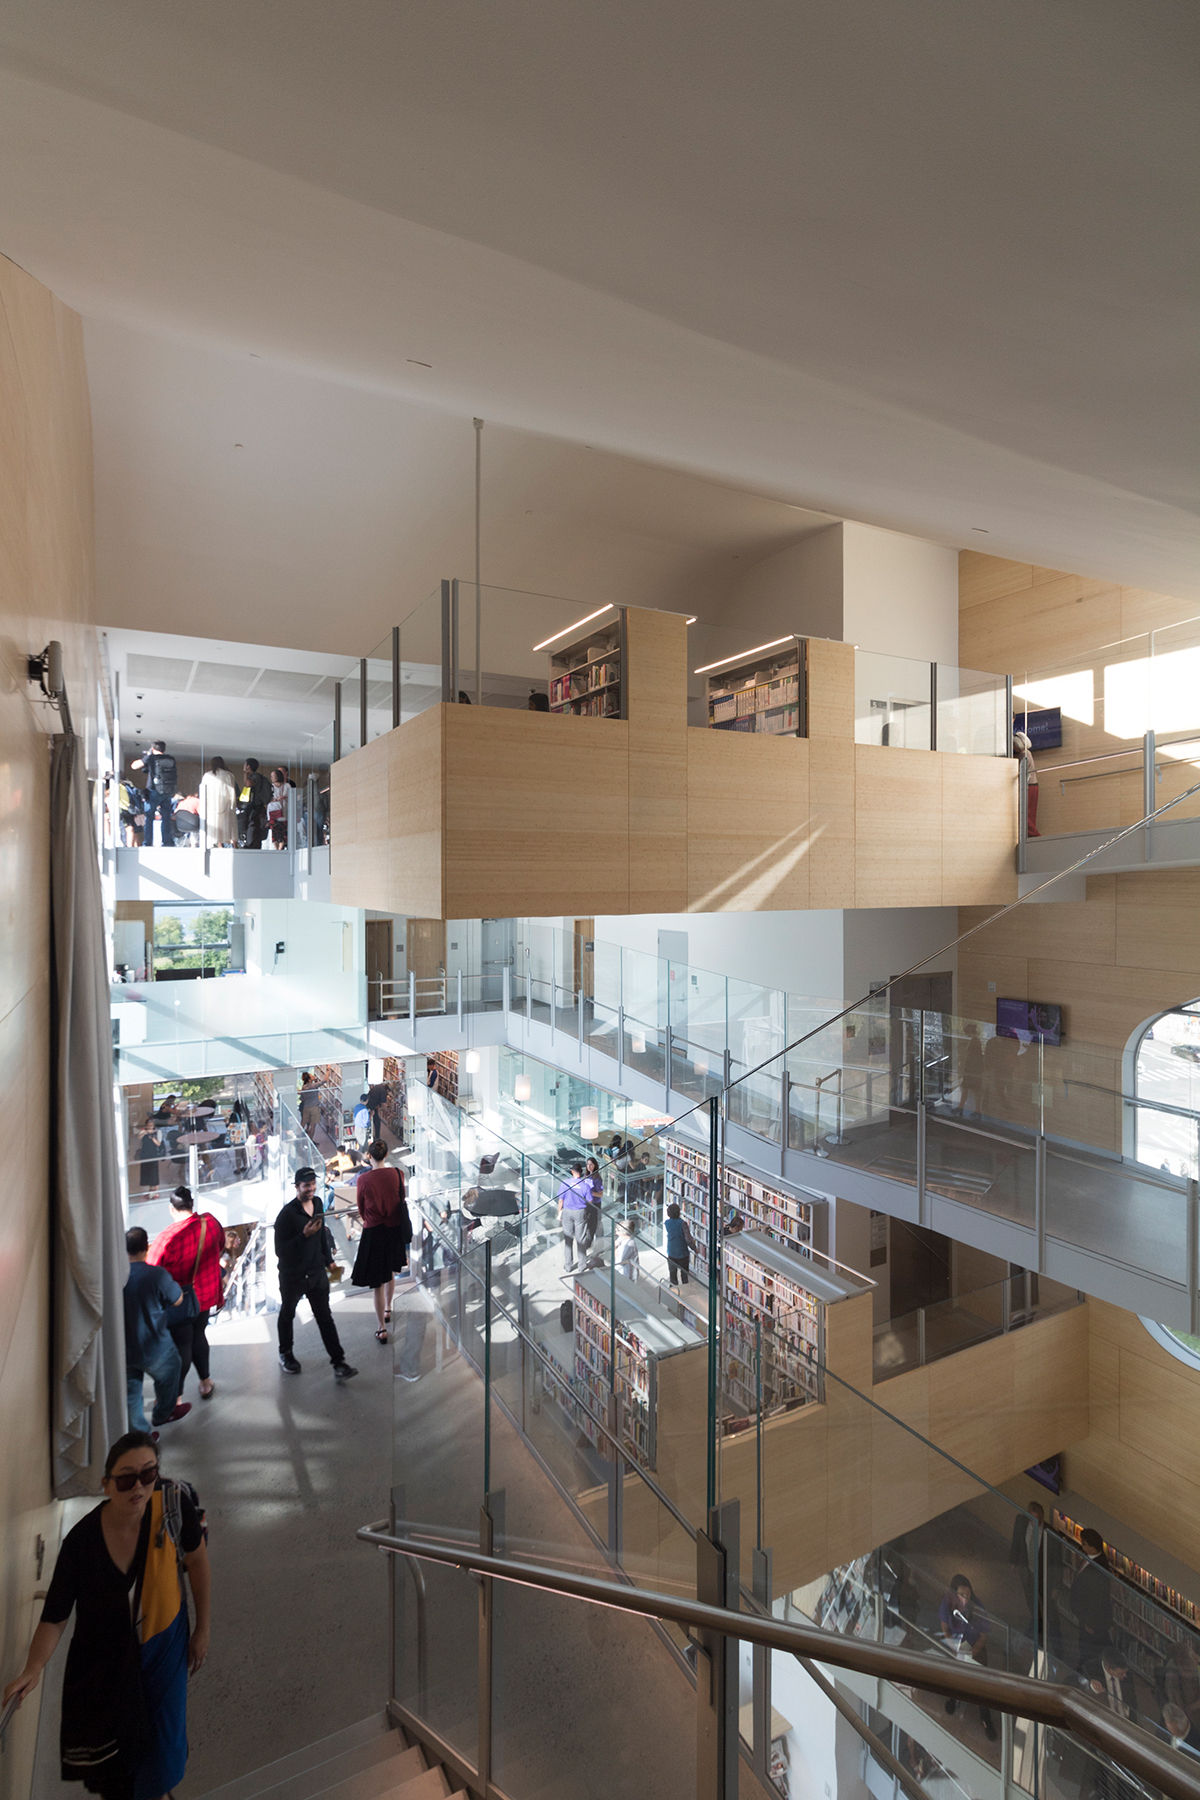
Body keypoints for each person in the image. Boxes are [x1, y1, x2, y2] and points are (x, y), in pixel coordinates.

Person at [3, 1430, 211, 1800]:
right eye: (127, 1479)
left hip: (163, 1646)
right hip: (107, 1665)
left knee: (161, 1754)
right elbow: (55, 1615)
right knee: (120, 1760)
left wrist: (203, 1630)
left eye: (149, 1475)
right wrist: (33, 1669)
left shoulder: (172, 1506)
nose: (139, 1488)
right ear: (106, 1485)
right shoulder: (81, 1543)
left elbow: (196, 1562)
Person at [274, 1166, 357, 1379]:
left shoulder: (318, 1203)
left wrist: (329, 1262)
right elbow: (280, 1251)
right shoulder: (286, 1215)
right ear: (297, 1187)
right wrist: (303, 1235)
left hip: (317, 1273)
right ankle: (286, 1353)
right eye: (306, 1185)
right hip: (293, 1277)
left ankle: (339, 1362)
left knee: (325, 1317)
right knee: (288, 1313)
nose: (310, 1189)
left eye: (312, 1184)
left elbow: (321, 1235)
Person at [148, 1187, 224, 1402]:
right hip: (205, 1294)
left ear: (172, 1209)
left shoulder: (167, 1238)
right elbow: (220, 1247)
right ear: (192, 1204)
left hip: (178, 1301)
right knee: (199, 1335)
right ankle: (205, 1383)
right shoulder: (210, 1223)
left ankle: (176, 1396)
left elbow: (152, 1272)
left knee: (181, 1346)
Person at [124, 1226, 190, 1431]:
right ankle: (163, 1413)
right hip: (156, 1346)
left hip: (124, 1347)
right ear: (147, 1247)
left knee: (131, 1393)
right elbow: (178, 1300)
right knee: (171, 1374)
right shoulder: (156, 1275)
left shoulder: (116, 1277)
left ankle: (140, 1433)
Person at [351, 1140, 413, 1344]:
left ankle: (381, 1327)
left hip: (374, 1232)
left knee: (376, 1281)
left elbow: (360, 1207)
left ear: (369, 1156)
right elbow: (401, 1198)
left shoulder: (364, 1179)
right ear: (386, 1155)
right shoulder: (397, 1174)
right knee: (391, 1271)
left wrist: (369, 1218)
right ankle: (389, 1307)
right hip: (394, 1229)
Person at [938, 1573, 996, 1739]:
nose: (965, 1598)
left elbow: (984, 1636)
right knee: (955, 1678)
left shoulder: (977, 1608)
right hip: (957, 1648)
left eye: (968, 1594)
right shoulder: (947, 1604)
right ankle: (953, 1698)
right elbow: (944, 1626)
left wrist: (970, 1654)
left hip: (974, 1648)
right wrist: (952, 1646)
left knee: (980, 1685)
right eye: (961, 1595)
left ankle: (985, 1718)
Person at [1071, 1528, 1114, 1666]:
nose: (1082, 1546)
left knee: (1090, 1648)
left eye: (1084, 1544)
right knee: (1086, 1646)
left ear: (1092, 1547)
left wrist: (1089, 1621)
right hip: (1085, 1615)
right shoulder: (1089, 1559)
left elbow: (1098, 1598)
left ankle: (1086, 1669)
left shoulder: (1100, 1567)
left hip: (1092, 1620)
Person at [129, 740, 178, 847]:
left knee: (149, 817)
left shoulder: (151, 757)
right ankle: (167, 842)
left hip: (153, 791)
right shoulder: (171, 759)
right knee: (166, 817)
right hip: (167, 791)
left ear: (153, 748)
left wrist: (147, 755)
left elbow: (134, 766)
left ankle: (148, 842)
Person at [557, 1161, 593, 1273]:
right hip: (580, 1212)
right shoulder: (585, 1185)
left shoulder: (565, 1183)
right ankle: (581, 1266)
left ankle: (568, 1266)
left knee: (568, 1239)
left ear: (572, 1171)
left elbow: (560, 1200)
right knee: (581, 1239)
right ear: (581, 1172)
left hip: (567, 1211)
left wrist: (559, 1213)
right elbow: (590, 1202)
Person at [198, 754, 237, 849]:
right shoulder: (229, 775)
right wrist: (233, 805)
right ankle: (234, 846)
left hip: (211, 807)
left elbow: (203, 792)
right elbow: (232, 792)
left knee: (214, 826)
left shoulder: (207, 776)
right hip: (226, 805)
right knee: (229, 826)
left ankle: (218, 845)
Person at [236, 758, 271, 849]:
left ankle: (251, 844)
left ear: (248, 766)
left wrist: (246, 774)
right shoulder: (256, 776)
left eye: (245, 765)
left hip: (256, 806)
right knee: (253, 825)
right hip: (256, 806)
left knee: (252, 825)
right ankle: (253, 844)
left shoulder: (254, 776)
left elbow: (248, 784)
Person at [664, 1202, 699, 1285]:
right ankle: (685, 1293)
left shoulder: (667, 1223)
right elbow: (688, 1239)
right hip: (682, 1253)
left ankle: (674, 1292)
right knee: (684, 1276)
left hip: (671, 1252)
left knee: (673, 1276)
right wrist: (694, 1249)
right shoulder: (683, 1224)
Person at [1014, 729, 1040, 837]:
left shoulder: (1023, 754)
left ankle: (1033, 835)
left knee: (1025, 815)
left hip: (1028, 787)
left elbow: (1022, 773)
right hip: (1033, 785)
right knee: (1030, 813)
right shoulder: (1028, 753)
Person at [135, 1117, 168, 1192]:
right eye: (148, 1125)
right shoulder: (143, 1131)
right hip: (145, 1154)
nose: (150, 1126)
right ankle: (149, 1190)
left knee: (154, 1173)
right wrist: (145, 1132)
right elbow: (138, 1138)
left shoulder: (158, 1132)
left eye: (151, 1125)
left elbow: (159, 1144)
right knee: (146, 1172)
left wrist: (152, 1137)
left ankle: (154, 1191)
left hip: (153, 1154)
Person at [583, 1154, 604, 1252]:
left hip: (595, 1204)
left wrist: (590, 1192)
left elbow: (600, 1194)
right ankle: (587, 1241)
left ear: (595, 1165)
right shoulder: (586, 1176)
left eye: (591, 1164)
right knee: (587, 1223)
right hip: (586, 1203)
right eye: (588, 1164)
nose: (589, 1166)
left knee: (593, 1224)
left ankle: (590, 1243)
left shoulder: (597, 1178)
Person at [616, 1216, 641, 1282]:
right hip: (621, 1273)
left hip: (627, 1276)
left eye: (617, 1229)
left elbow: (620, 1261)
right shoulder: (621, 1239)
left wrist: (615, 1248)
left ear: (623, 1232)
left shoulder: (630, 1244)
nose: (615, 1231)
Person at [298, 1070, 321, 1140]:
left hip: (306, 1107)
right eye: (311, 1076)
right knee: (311, 1125)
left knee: (305, 1124)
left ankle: (301, 1138)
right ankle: (308, 1139)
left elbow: (302, 1097)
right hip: (310, 1107)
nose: (313, 1076)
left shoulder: (305, 1086)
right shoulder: (310, 1086)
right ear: (309, 1078)